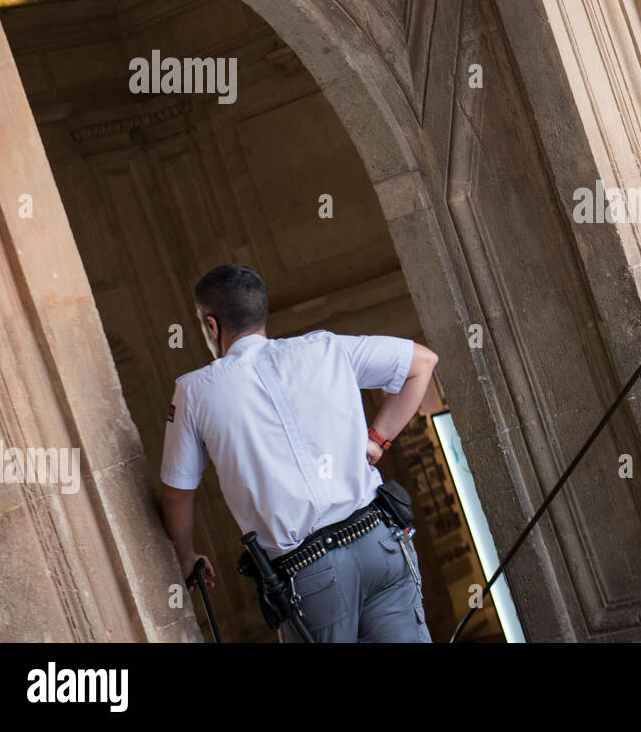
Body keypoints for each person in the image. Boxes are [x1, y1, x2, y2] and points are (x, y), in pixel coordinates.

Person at [158, 263, 439, 642]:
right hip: (379, 542)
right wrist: (376, 439)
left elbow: (177, 493)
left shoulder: (194, 392)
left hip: (311, 575)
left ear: (212, 326)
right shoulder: (325, 348)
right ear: (261, 312)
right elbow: (422, 363)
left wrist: (185, 557)